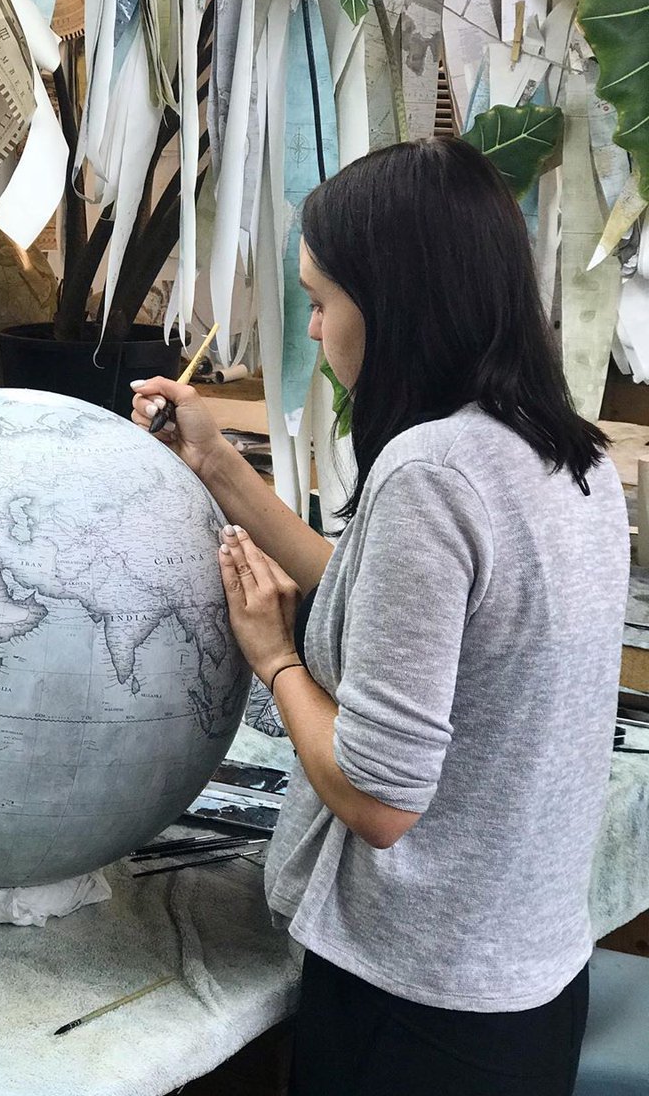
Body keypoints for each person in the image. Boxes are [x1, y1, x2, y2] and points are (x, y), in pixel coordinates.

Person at [130, 137, 630, 1096]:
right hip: (523, 983)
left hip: (416, 1012)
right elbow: (384, 599)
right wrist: (220, 465)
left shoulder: (432, 473)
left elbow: (377, 800)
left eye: (322, 302)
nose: (315, 330)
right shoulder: (569, 456)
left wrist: (275, 658)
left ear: (396, 305)